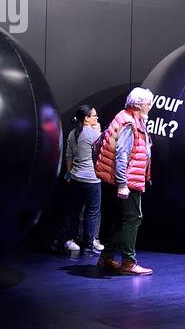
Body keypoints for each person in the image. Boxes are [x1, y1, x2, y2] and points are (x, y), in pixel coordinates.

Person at [95, 87, 154, 276]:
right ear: (138, 104)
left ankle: (107, 257)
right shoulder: (130, 123)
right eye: (147, 103)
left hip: (125, 180)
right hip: (128, 181)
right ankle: (128, 261)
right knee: (133, 218)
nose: (149, 106)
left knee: (122, 219)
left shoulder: (126, 117)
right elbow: (122, 155)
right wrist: (122, 184)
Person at [59, 105, 104, 254]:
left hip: (76, 179)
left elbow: (68, 156)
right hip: (92, 180)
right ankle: (89, 242)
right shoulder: (94, 134)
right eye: (94, 116)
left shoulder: (72, 133)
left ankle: (70, 239)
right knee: (92, 212)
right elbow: (104, 151)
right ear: (86, 118)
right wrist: (99, 132)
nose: (97, 118)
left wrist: (70, 173)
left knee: (75, 210)